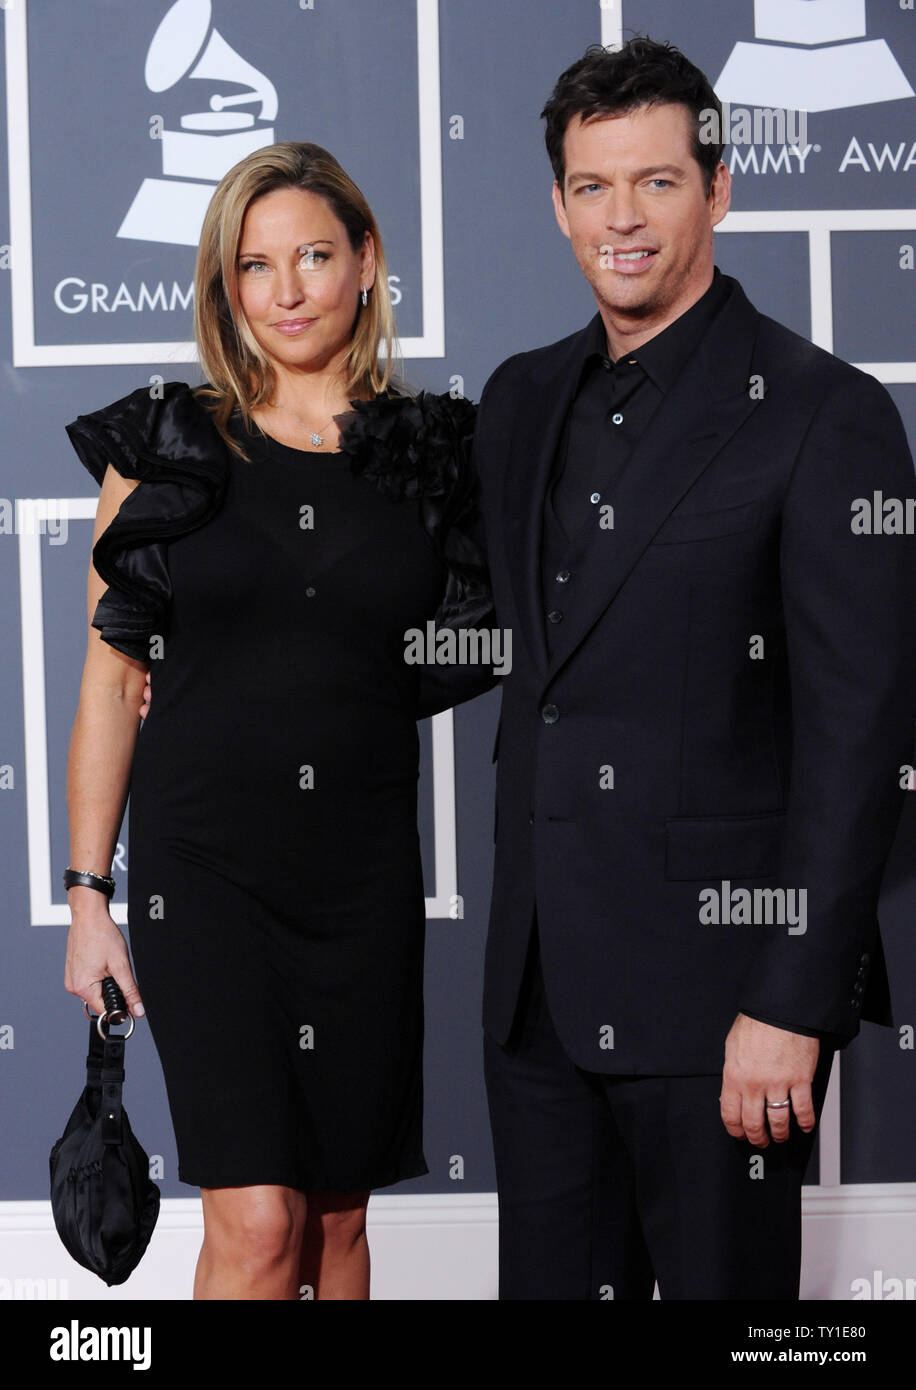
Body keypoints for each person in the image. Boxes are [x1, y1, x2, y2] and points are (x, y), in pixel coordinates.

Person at [474, 39, 916, 1298]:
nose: (622, 218)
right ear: (558, 202)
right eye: (593, 186)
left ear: (718, 192)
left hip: (725, 1005)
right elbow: (469, 629)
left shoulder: (824, 413)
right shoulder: (516, 399)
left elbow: (859, 734)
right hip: (541, 994)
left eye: (657, 183)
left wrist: (792, 999)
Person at [62, 141, 489, 1301]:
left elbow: (484, 636)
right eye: (257, 265)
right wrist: (87, 897)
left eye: (314, 255)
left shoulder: (435, 454)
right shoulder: (169, 443)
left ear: (365, 263)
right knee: (256, 1223)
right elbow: (110, 681)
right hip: (205, 875)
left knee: (339, 1228)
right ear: (226, 285)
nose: (289, 290)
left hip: (358, 876)